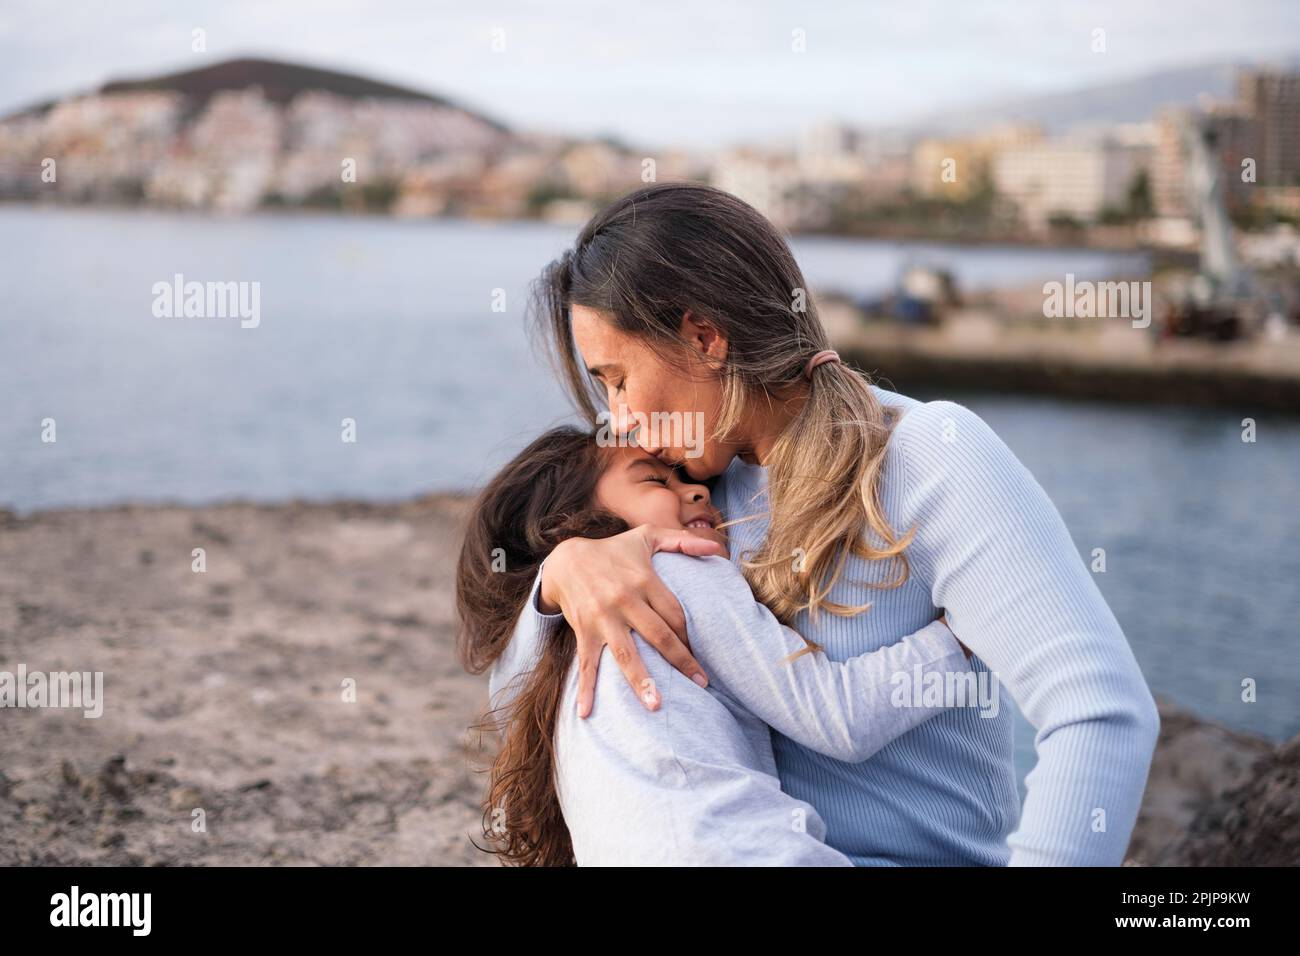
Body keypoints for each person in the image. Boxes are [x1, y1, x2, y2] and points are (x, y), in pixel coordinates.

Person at [508, 181, 1161, 866]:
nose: (620, 418)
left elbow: (1100, 713)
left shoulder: (928, 456)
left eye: (617, 378)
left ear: (704, 338)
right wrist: (561, 575)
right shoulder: (691, 496)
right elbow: (534, 702)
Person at [457, 425, 974, 865]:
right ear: (568, 519)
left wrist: (558, 569)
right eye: (658, 480)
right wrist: (959, 638)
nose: (700, 493)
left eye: (693, 480)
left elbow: (505, 681)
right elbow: (837, 717)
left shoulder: (552, 639)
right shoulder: (679, 569)